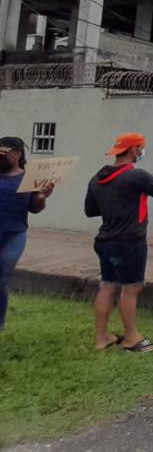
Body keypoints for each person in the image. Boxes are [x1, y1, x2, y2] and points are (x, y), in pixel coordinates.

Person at [85, 133, 153, 353]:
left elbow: (91, 211)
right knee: (131, 288)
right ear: (134, 150)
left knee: (107, 286)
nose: (143, 152)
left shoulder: (97, 178)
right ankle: (131, 338)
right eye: (142, 148)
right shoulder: (137, 176)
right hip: (130, 242)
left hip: (105, 241)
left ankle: (102, 338)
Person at [0, 136, 55, 332]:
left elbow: (34, 208)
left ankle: (0, 324)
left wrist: (42, 197)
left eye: (4, 153)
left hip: (14, 235)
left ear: (17, 154)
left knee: (2, 280)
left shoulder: (29, 178)